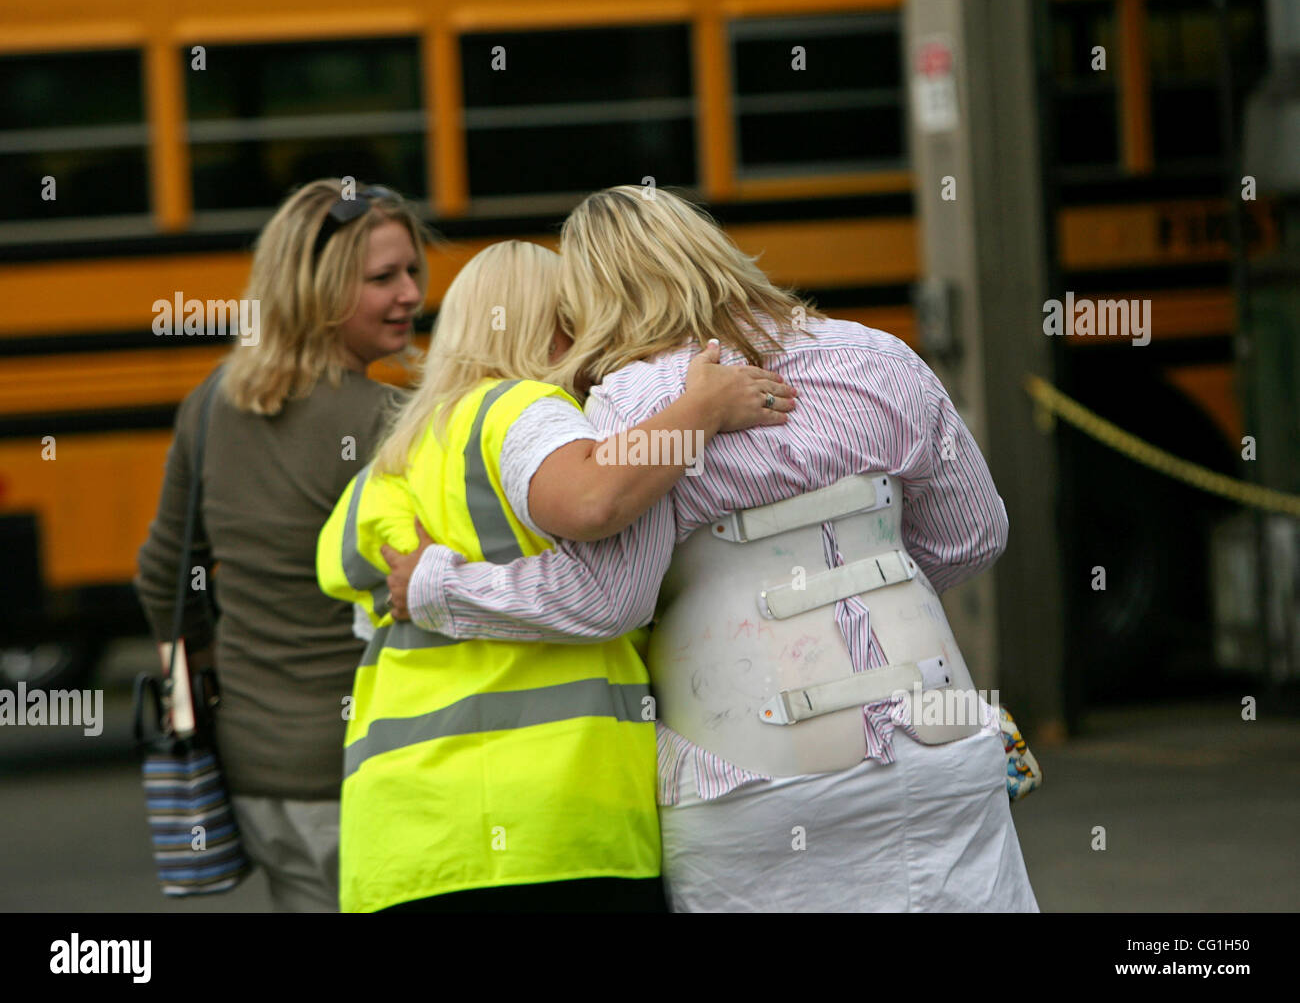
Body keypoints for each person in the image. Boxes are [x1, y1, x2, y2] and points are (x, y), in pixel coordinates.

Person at [385, 185, 1039, 912]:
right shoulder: (879, 356)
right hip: (942, 743)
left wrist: (442, 587)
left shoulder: (633, 408)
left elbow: (610, 600)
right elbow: (974, 533)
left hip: (753, 777)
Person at [315, 239, 795, 913]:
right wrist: (701, 413)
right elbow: (596, 498)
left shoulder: (389, 464)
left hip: (403, 843)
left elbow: (353, 590)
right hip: (556, 829)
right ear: (553, 324)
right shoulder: (522, 408)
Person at [135, 178, 433, 911]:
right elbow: (434, 586)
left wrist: (201, 680)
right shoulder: (387, 421)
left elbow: (162, 574)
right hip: (364, 765)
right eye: (382, 278)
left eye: (412, 271)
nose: (411, 295)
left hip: (251, 765)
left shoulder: (211, 401)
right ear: (319, 292)